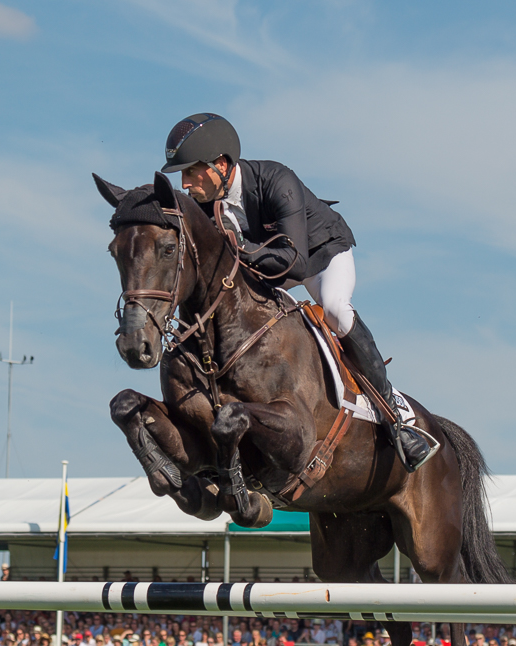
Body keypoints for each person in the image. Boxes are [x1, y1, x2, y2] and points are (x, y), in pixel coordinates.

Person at [161, 113, 431, 471]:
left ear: (221, 165)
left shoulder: (276, 180)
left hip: (320, 255)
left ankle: (394, 416)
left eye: (191, 171)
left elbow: (296, 262)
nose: (186, 182)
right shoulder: (208, 206)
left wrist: (239, 247)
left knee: (334, 309)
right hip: (268, 266)